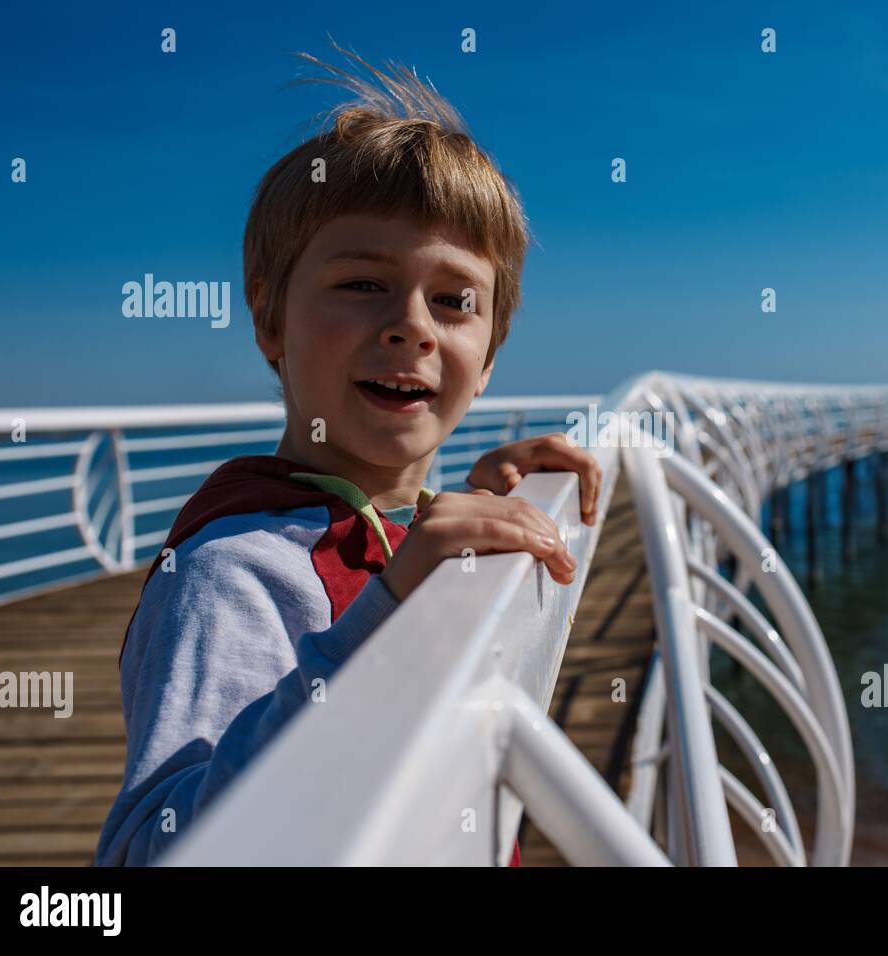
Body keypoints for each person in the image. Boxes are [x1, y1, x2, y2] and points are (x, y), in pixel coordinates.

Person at [95, 43, 601, 867]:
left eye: (454, 301)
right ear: (270, 324)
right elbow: (150, 851)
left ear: (492, 355)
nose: (413, 325)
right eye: (363, 284)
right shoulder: (235, 574)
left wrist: (460, 506)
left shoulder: (395, 528)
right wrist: (390, 614)